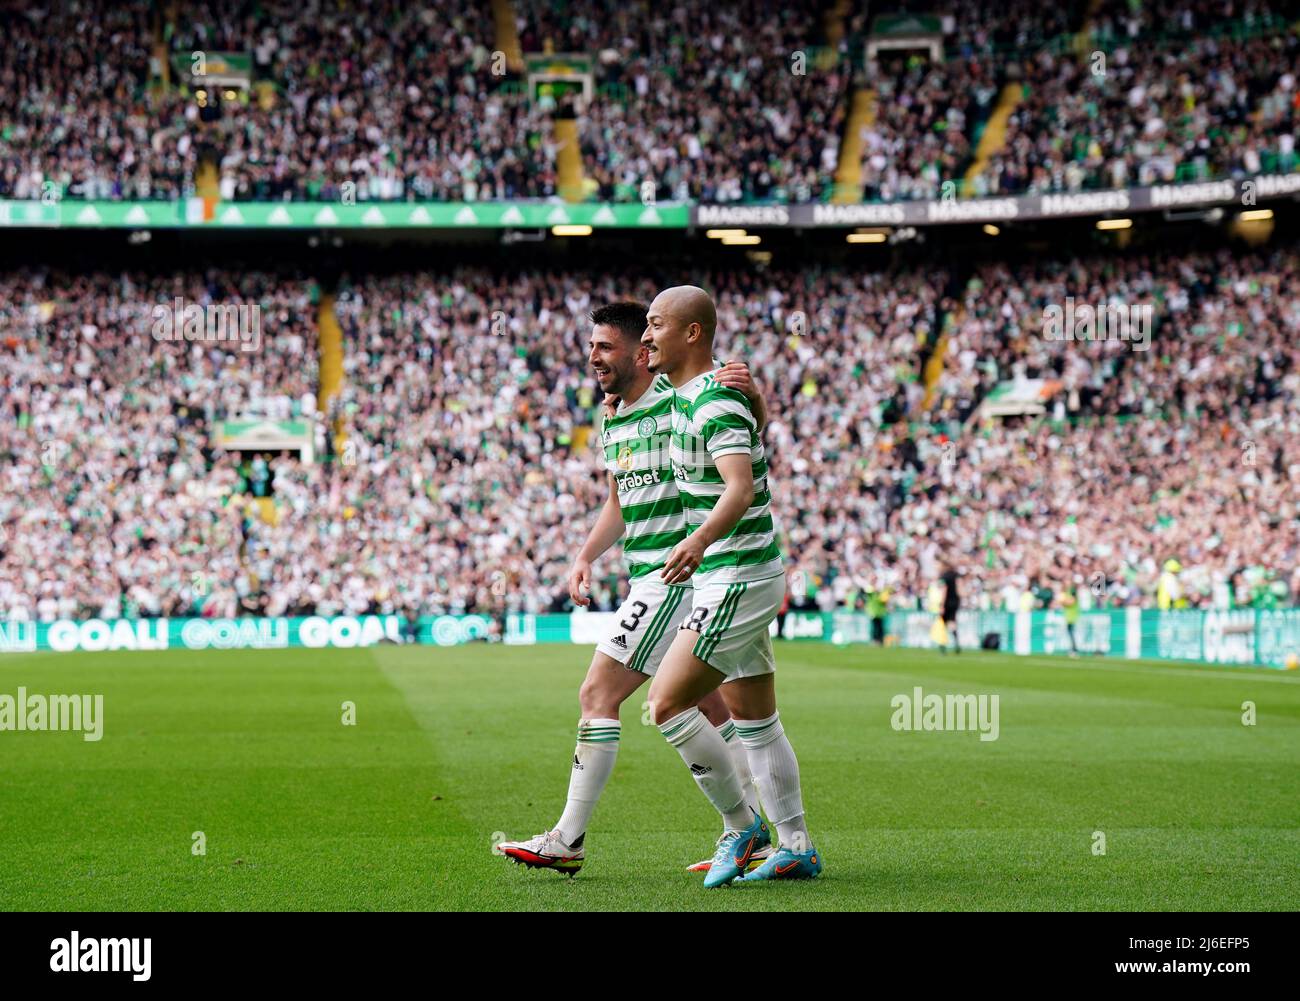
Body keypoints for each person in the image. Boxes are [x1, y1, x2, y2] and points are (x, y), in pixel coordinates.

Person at [498, 301, 771, 876]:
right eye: (591, 346)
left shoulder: (682, 398)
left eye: (604, 346)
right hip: (653, 575)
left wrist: (754, 392)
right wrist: (584, 555)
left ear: (641, 352)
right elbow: (620, 501)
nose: (592, 357)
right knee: (713, 706)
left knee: (598, 694)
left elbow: (741, 434)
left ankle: (568, 838)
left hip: (678, 577)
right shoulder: (614, 416)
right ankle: (756, 834)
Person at [641, 285, 822, 888]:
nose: (646, 336)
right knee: (758, 722)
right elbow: (754, 431)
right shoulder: (685, 388)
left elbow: (739, 487)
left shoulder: (715, 399)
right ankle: (795, 846)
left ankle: (741, 827)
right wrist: (761, 401)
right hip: (737, 573)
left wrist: (695, 543)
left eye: (656, 325)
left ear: (692, 333)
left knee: (666, 703)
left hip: (736, 575)